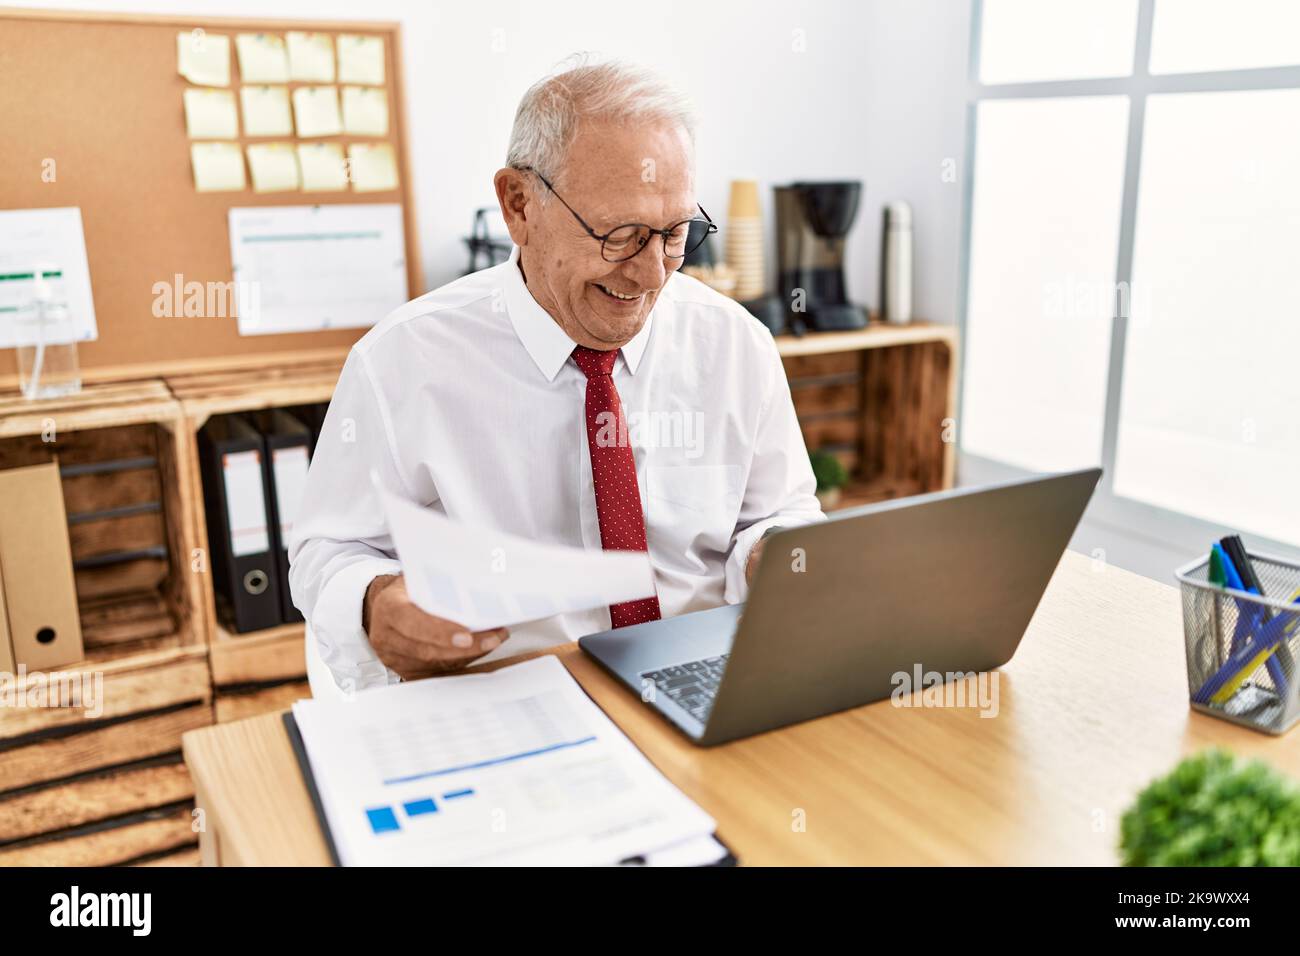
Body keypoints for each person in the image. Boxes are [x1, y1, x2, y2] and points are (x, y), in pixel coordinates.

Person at [289, 57, 824, 691]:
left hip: (703, 678)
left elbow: (777, 514)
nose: (654, 274)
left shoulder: (737, 345)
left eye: (676, 233)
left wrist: (776, 553)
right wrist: (374, 605)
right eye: (621, 234)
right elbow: (327, 551)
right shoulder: (401, 362)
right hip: (507, 695)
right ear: (518, 205)